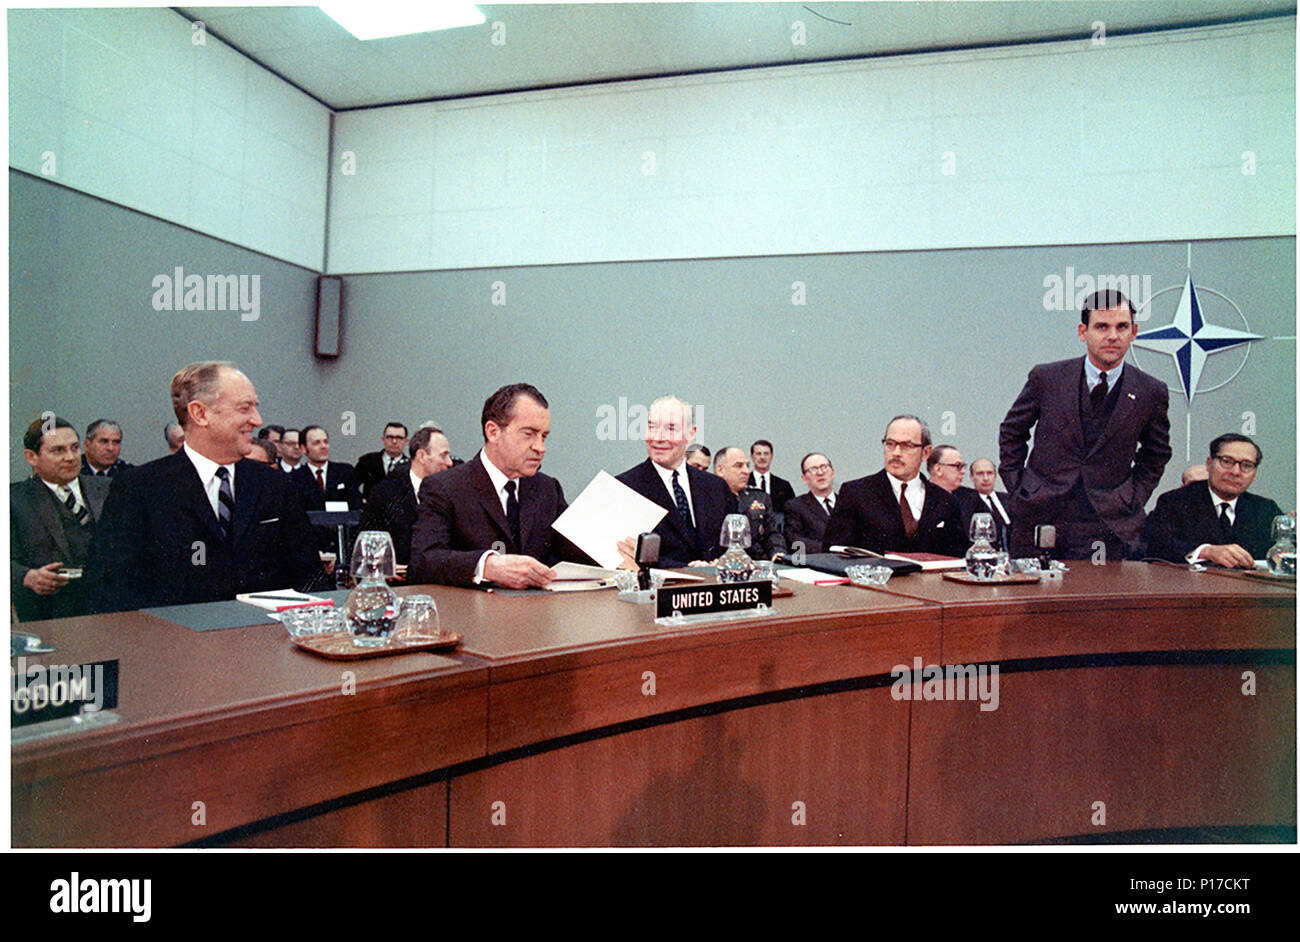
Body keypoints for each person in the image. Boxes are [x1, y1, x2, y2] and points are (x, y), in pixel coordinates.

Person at [86, 361, 325, 612]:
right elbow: (109, 588)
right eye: (245, 408)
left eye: (255, 407)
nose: (257, 420)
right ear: (200, 414)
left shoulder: (275, 485)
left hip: (262, 640)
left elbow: (311, 578)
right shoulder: (139, 488)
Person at [999, 289, 1172, 559]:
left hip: (1107, 523)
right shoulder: (1047, 378)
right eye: (1102, 326)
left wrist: (1131, 497)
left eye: (1121, 327)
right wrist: (1020, 487)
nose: (1112, 336)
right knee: (1032, 599)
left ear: (1134, 332)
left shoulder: (1151, 391)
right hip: (1039, 516)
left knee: (1097, 600)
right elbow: (1012, 432)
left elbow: (1157, 453)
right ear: (1083, 331)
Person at [409, 384, 579, 588]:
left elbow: (577, 550)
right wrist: (488, 566)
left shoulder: (547, 488)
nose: (540, 447)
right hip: (471, 616)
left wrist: (619, 550)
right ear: (493, 431)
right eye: (529, 434)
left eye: (544, 436)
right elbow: (422, 563)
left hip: (538, 615)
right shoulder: (445, 487)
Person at [11, 417, 111, 621]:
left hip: (110, 611)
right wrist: (27, 577)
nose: (71, 457)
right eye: (58, 451)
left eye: (74, 448)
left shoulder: (110, 489)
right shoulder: (14, 500)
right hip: (50, 614)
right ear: (31, 457)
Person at [615, 396, 734, 569]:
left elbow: (737, 547)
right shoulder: (625, 487)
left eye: (670, 429)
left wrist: (721, 564)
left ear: (691, 434)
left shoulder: (716, 487)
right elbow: (627, 554)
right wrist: (689, 570)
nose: (658, 438)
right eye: (652, 427)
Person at [824, 415, 967, 557]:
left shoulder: (945, 501)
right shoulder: (855, 493)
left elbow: (958, 557)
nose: (896, 453)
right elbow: (833, 552)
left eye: (907, 445)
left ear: (926, 453)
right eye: (890, 444)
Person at [1143, 434, 1285, 567]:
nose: (1235, 472)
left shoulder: (1266, 509)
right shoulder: (1175, 501)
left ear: (1254, 473)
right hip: (1194, 589)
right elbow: (1154, 545)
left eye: (1246, 465)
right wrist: (1207, 551)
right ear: (1209, 464)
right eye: (1227, 462)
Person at [360, 426, 453, 564]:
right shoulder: (385, 494)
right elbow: (367, 542)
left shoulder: (452, 493)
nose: (449, 462)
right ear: (422, 456)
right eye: (443, 455)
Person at [715, 446, 786, 560]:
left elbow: (772, 532)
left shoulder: (759, 497)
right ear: (720, 470)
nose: (746, 471)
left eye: (747, 466)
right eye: (738, 466)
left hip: (757, 561)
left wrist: (777, 551)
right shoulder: (708, 499)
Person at [291, 425, 360, 510]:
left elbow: (356, 506)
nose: (323, 446)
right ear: (303, 448)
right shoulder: (294, 478)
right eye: (316, 443)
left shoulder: (345, 471)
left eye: (326, 442)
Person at [784, 452, 837, 555]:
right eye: (813, 469)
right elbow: (795, 541)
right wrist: (830, 549)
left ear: (832, 472)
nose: (820, 473)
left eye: (824, 467)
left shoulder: (848, 502)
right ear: (804, 478)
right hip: (816, 563)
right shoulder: (795, 506)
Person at [956, 457, 1013, 548]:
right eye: (980, 474)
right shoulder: (967, 504)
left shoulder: (1009, 499)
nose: (985, 478)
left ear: (995, 476)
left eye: (989, 473)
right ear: (971, 477)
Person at [354, 422, 410, 500]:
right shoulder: (367, 461)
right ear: (383, 439)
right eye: (390, 437)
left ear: (406, 441)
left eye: (399, 438)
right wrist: (360, 500)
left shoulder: (411, 466)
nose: (394, 441)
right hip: (371, 509)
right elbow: (352, 486)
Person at [748, 439, 796, 513]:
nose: (762, 457)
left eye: (766, 454)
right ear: (752, 457)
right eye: (758, 454)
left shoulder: (784, 486)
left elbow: (792, 512)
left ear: (772, 456)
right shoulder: (744, 483)